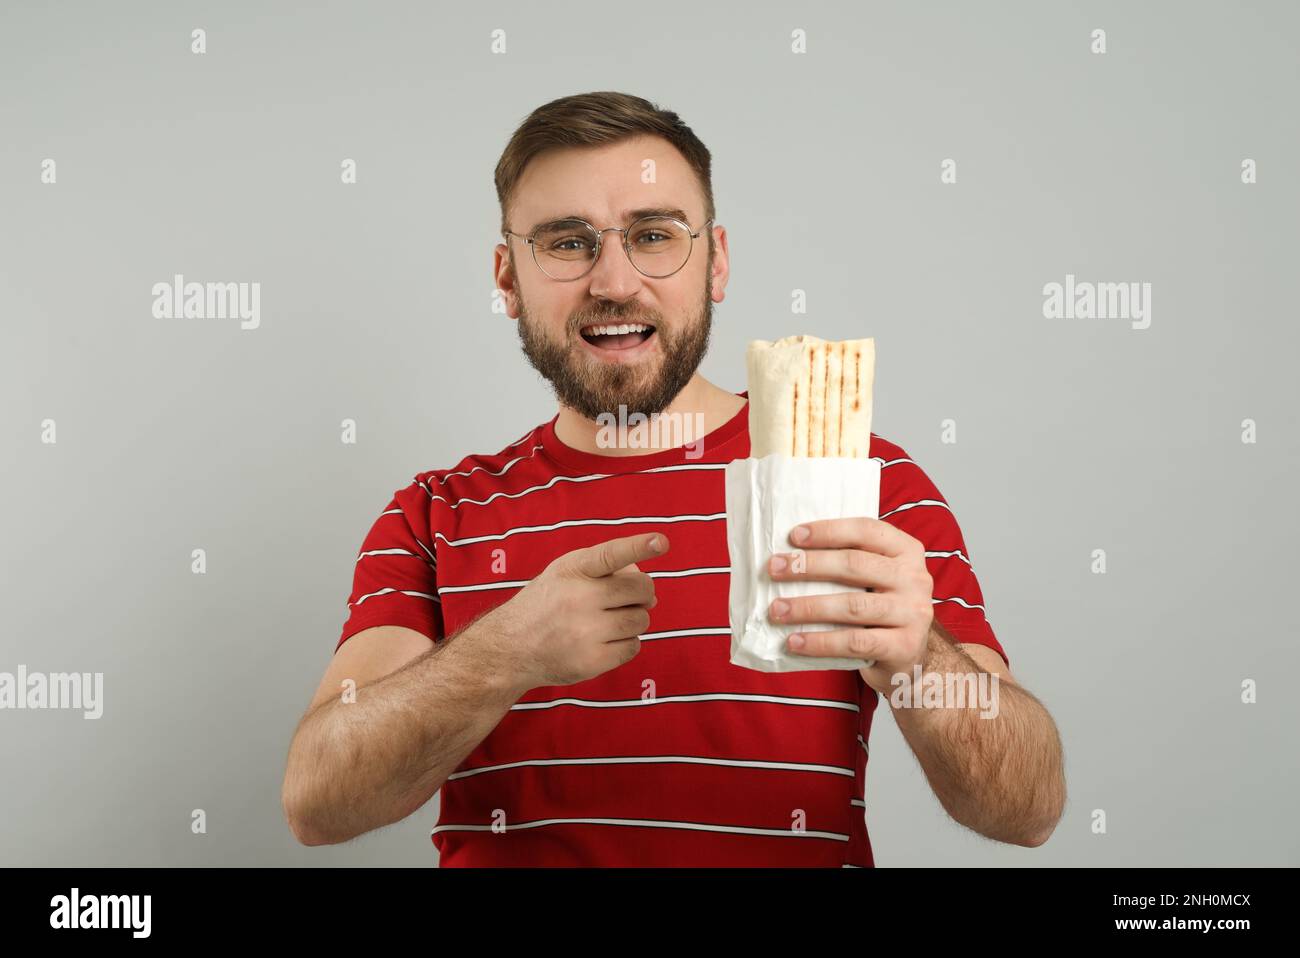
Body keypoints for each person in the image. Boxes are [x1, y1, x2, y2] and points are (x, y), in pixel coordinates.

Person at [281, 91, 1065, 866]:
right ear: (507, 277)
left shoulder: (861, 479)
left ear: (716, 261)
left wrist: (917, 657)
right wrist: (505, 653)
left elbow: (1026, 808)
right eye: (566, 242)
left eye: (653, 236)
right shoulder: (438, 513)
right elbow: (318, 801)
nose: (615, 282)